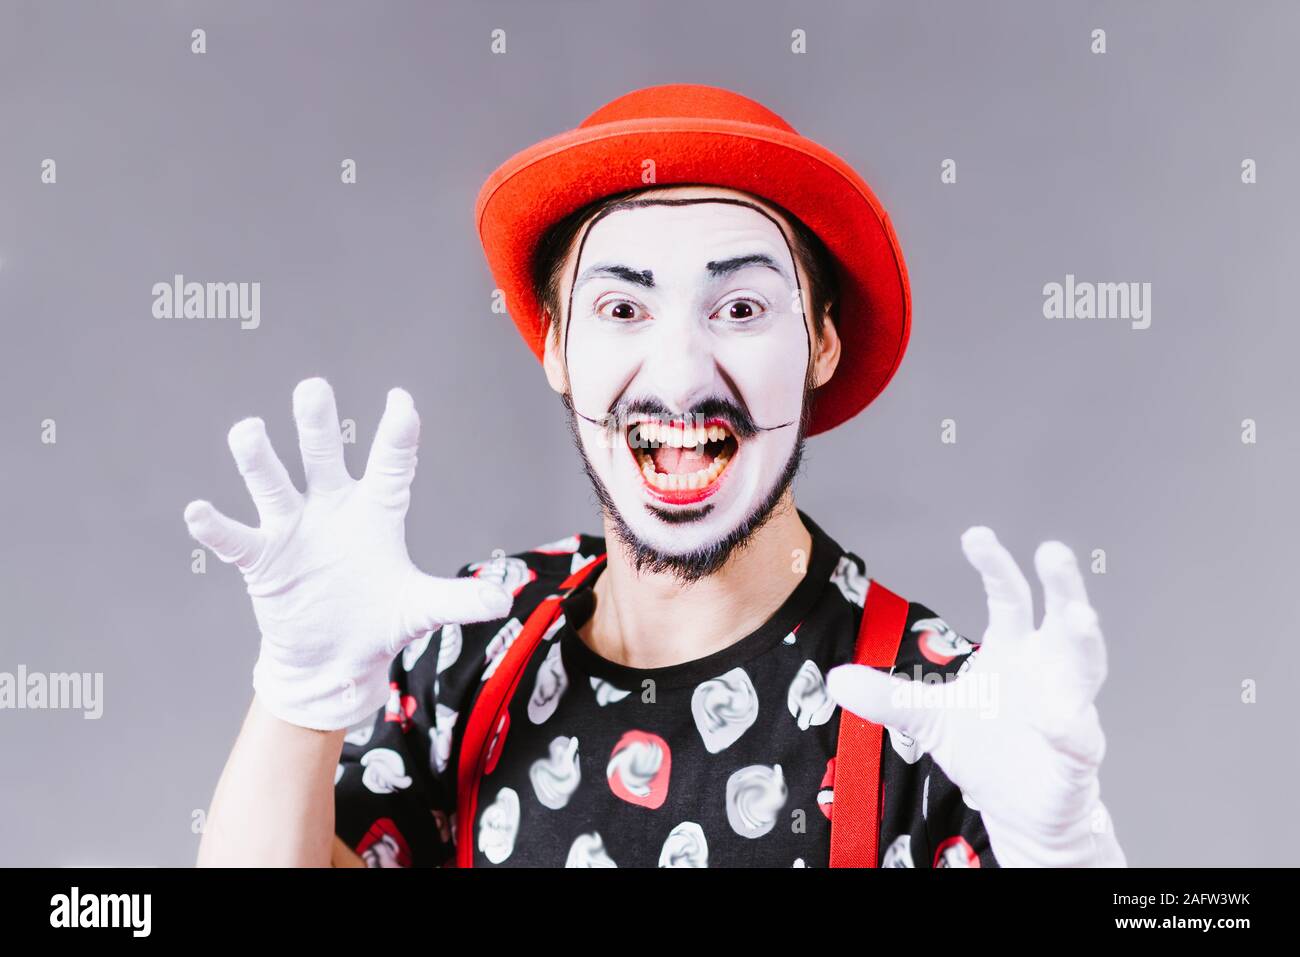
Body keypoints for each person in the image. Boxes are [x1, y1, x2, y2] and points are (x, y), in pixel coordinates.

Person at [187, 83, 1126, 868]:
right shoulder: (472, 646)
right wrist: (298, 695)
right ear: (556, 348)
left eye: (743, 304)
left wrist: (1066, 853)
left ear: (822, 344)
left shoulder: (943, 714)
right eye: (624, 306)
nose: (679, 375)